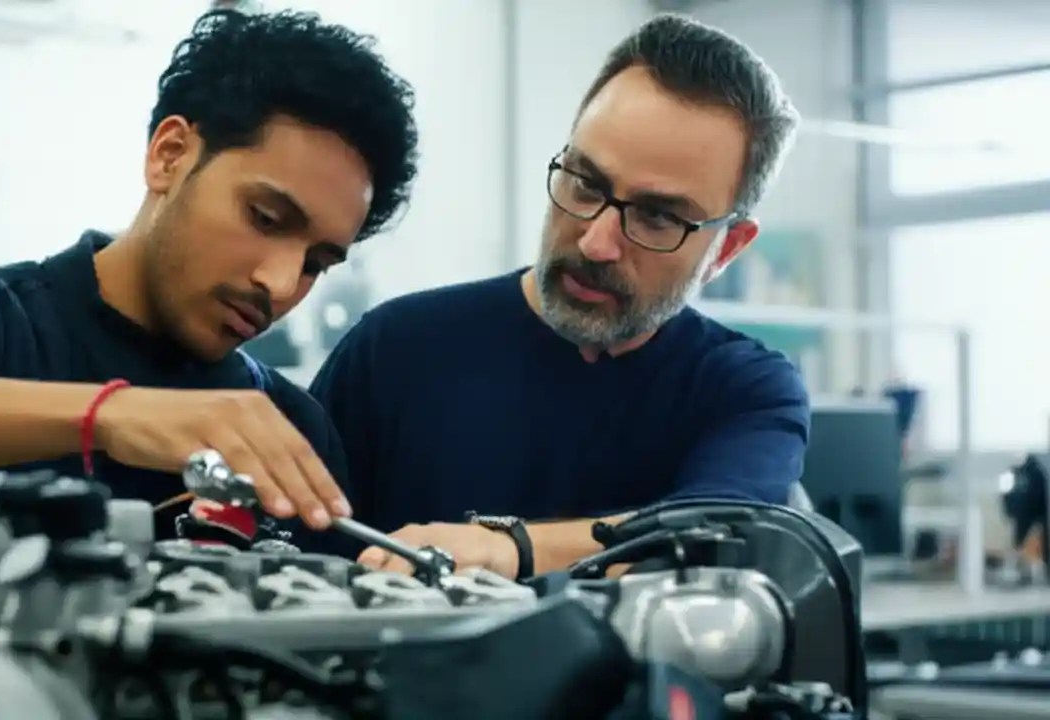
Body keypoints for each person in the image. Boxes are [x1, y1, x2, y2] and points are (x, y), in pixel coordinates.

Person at [0, 9, 419, 539]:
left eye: (315, 263)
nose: (281, 284)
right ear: (170, 156)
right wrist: (110, 415)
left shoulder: (289, 426)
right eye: (266, 217)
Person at [308, 14, 807, 576]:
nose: (596, 242)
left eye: (658, 217)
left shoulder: (744, 389)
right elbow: (287, 569)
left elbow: (720, 531)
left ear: (727, 249)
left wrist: (508, 550)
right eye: (585, 183)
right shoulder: (393, 352)